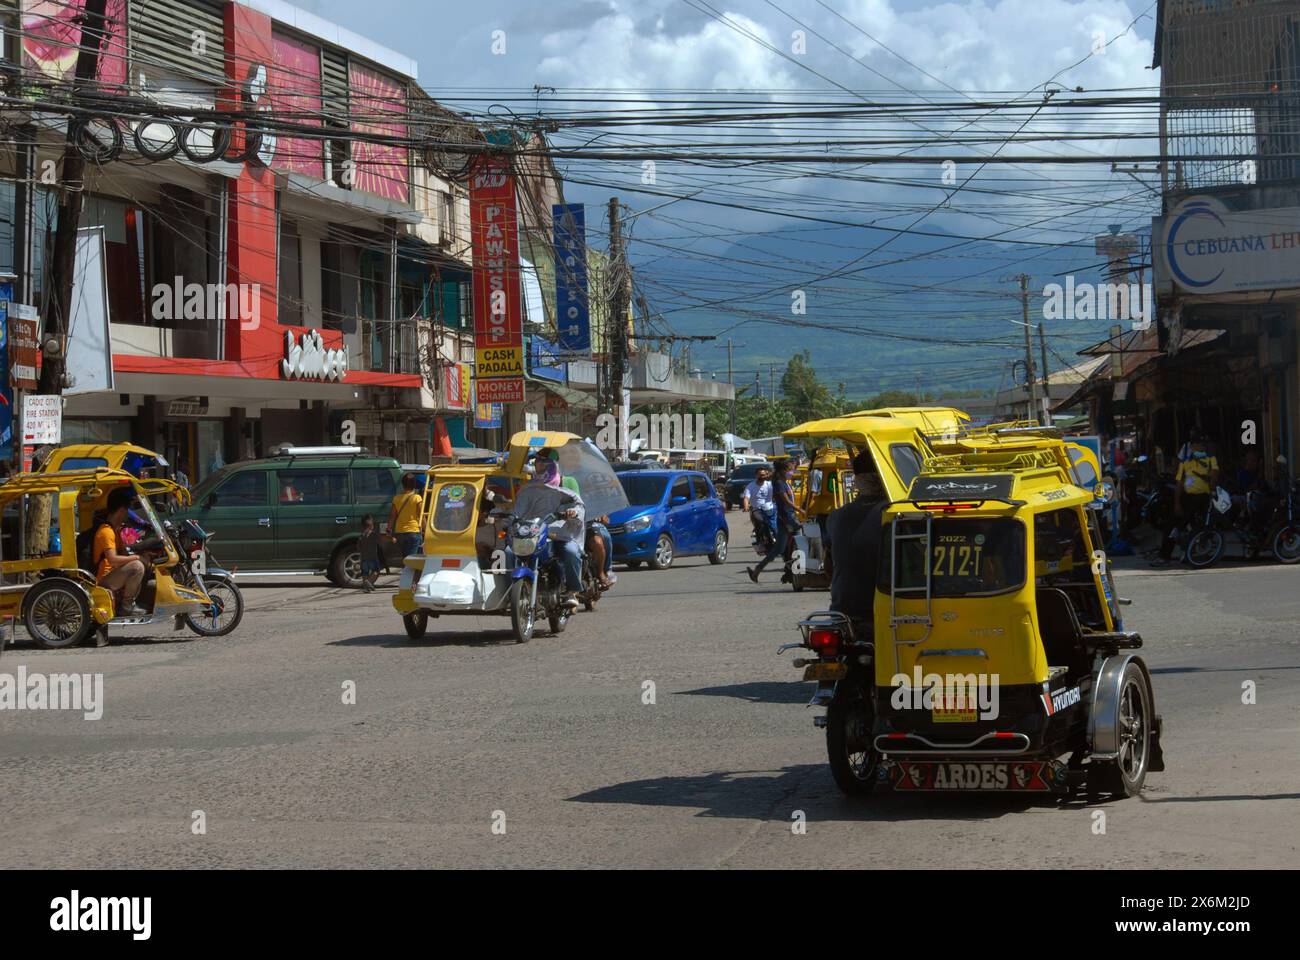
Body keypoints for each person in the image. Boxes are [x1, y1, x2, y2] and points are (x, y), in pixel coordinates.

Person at [824, 451, 887, 635]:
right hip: (890, 613)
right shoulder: (898, 516)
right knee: (918, 664)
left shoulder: (836, 516)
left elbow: (829, 567)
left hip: (843, 611)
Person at [512, 459, 585, 609]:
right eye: (538, 467)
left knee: (571, 551)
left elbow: (578, 507)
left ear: (552, 468)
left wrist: (572, 512)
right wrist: (506, 517)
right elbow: (517, 512)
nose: (540, 470)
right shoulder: (528, 490)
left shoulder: (565, 489)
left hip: (558, 535)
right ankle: (511, 591)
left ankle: (572, 591)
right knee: (508, 551)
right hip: (532, 534)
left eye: (543, 467)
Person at [1154, 431, 1220, 565]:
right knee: (1172, 525)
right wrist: (1177, 503)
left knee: (1199, 526)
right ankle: (1164, 556)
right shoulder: (1185, 463)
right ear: (1193, 446)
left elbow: (1214, 475)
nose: (1201, 447)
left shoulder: (1210, 459)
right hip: (1187, 497)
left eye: (1203, 445)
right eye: (1198, 445)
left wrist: (1210, 480)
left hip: (1203, 498)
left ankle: (1194, 553)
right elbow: (1179, 484)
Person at [94, 486, 148, 616]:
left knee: (142, 562)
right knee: (137, 566)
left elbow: (124, 554)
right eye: (127, 510)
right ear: (121, 510)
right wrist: (136, 558)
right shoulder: (106, 532)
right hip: (104, 580)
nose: (127, 515)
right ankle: (127, 606)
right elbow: (113, 560)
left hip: (113, 574)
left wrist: (143, 555)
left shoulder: (115, 531)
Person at [747, 458, 798, 583]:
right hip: (787, 519)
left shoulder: (784, 482)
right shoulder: (779, 483)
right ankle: (794, 573)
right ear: (783, 471)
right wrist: (801, 511)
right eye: (790, 470)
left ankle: (758, 570)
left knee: (781, 549)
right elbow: (786, 501)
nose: (792, 472)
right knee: (797, 545)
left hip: (786, 517)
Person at [388, 473, 424, 558]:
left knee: (405, 559)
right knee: (412, 560)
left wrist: (389, 529)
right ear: (414, 485)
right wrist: (426, 530)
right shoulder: (417, 498)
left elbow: (392, 516)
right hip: (413, 531)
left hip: (400, 532)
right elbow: (421, 516)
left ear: (403, 484)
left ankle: (405, 570)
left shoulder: (396, 498)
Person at [742, 465, 777, 544]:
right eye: (760, 475)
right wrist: (746, 506)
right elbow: (746, 498)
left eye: (764, 475)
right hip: (756, 509)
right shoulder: (750, 486)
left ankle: (779, 541)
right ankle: (760, 540)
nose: (762, 476)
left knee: (775, 526)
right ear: (756, 475)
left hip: (769, 508)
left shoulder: (769, 484)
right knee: (760, 522)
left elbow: (778, 493)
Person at [357, 514, 382, 592]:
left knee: (365, 573)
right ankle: (369, 582)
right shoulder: (373, 534)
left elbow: (358, 546)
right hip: (373, 557)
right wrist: (391, 539)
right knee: (376, 571)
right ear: (371, 525)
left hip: (364, 558)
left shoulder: (361, 536)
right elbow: (381, 539)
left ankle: (366, 588)